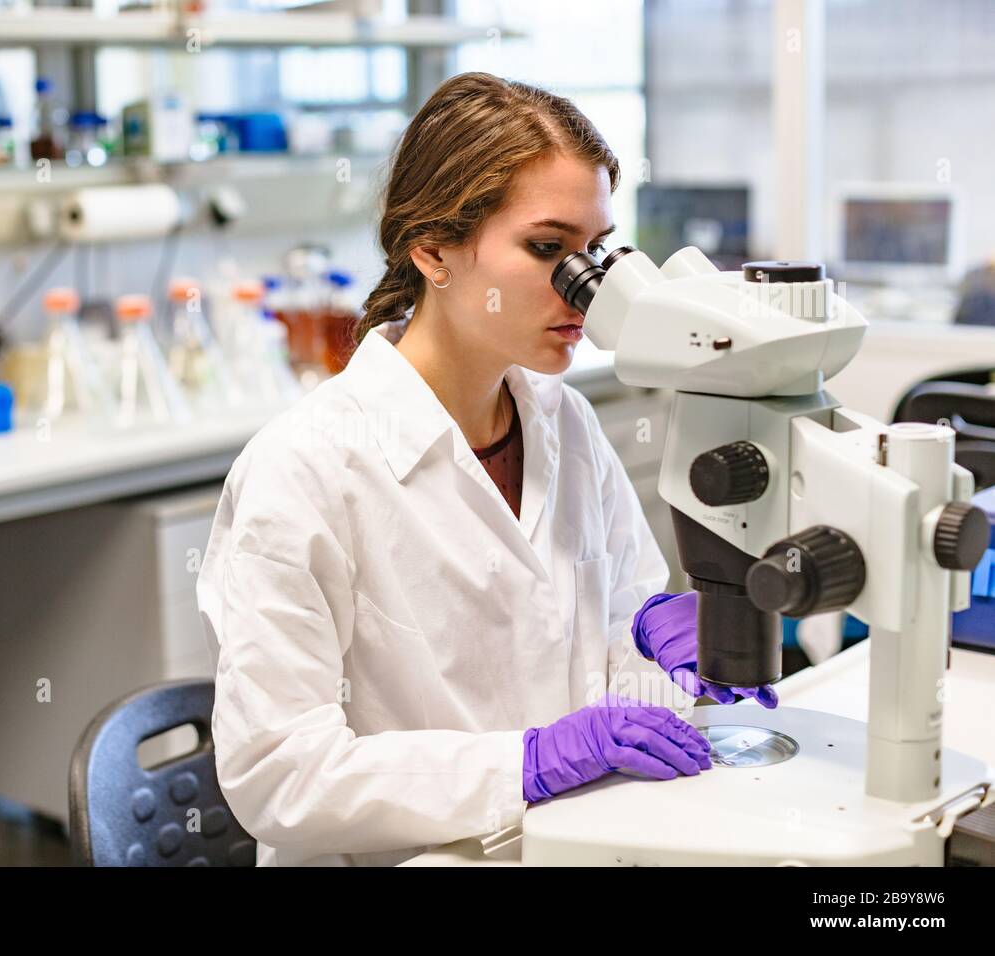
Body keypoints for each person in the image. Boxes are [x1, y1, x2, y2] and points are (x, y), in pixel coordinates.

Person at [196, 72, 776, 867]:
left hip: (569, 839)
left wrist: (655, 638)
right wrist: (526, 762)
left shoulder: (564, 423)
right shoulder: (304, 470)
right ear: (433, 249)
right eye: (548, 250)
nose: (586, 287)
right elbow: (281, 776)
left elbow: (599, 647)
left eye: (595, 252)